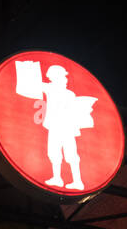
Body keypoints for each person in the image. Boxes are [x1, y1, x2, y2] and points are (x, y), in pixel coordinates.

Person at [15, 62, 98, 190]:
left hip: (62, 126)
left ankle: (74, 180)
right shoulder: (57, 90)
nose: (65, 79)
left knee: (65, 153)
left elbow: (34, 85)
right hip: (60, 126)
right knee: (58, 152)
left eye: (64, 77)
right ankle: (63, 179)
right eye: (62, 77)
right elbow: (35, 85)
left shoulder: (62, 91)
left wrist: (27, 70)